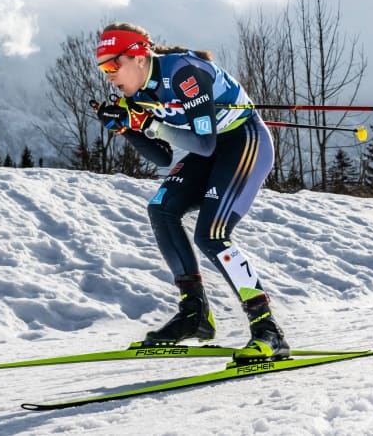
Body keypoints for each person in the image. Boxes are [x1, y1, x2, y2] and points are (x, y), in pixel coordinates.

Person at [94, 22, 289, 361]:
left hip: (244, 141)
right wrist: (126, 127)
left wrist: (148, 124)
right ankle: (194, 314)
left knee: (212, 235)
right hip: (211, 151)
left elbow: (203, 142)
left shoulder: (184, 73)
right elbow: (162, 155)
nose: (109, 75)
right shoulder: (138, 92)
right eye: (103, 68)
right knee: (161, 207)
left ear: (139, 56)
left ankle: (268, 330)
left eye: (113, 65)